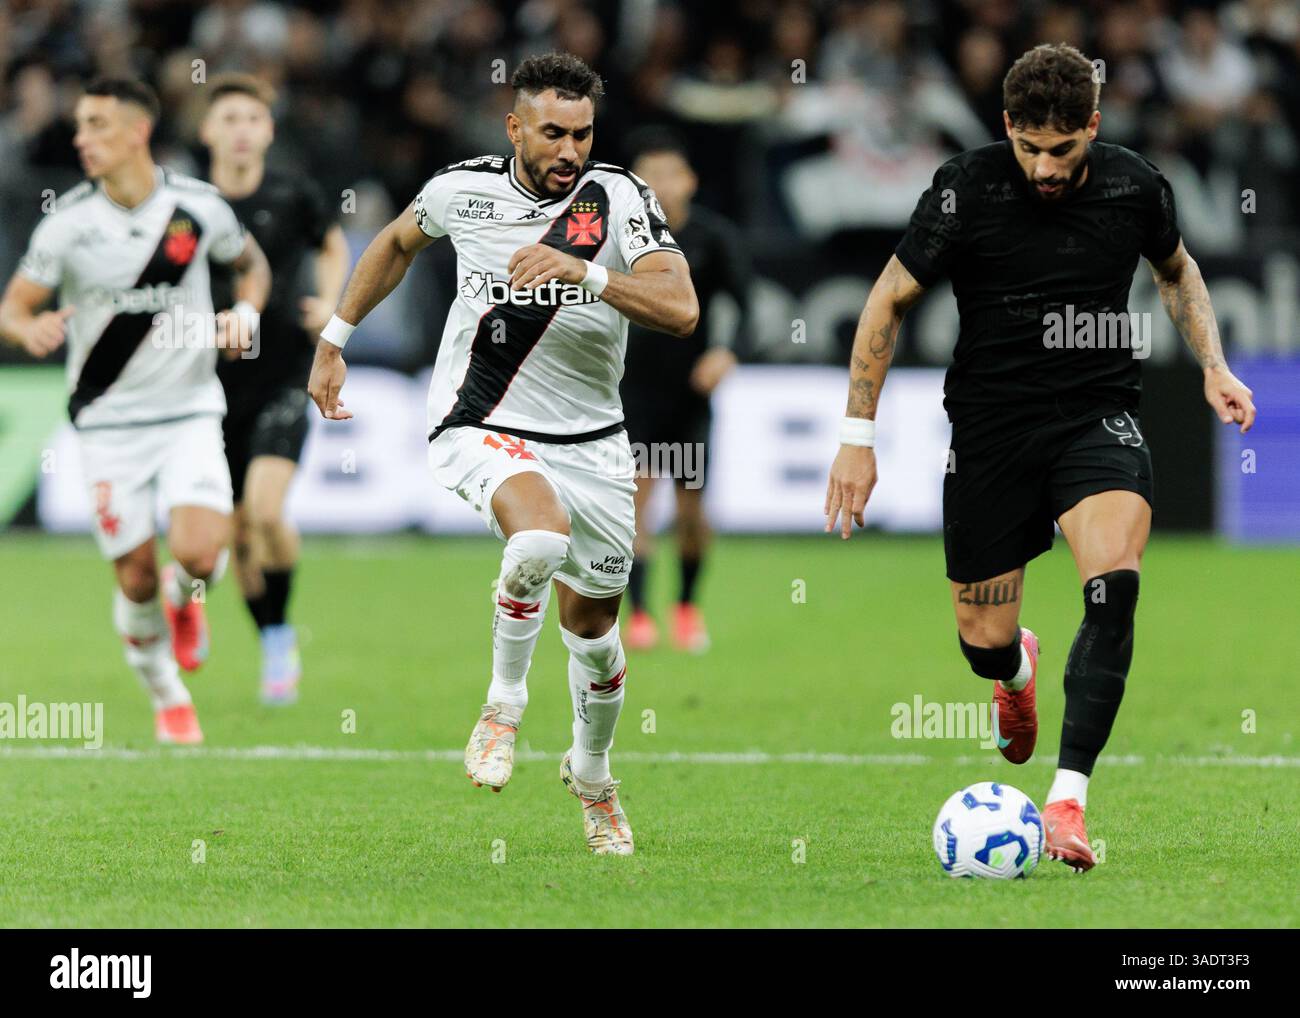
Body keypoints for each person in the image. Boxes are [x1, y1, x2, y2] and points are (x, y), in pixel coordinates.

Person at [823, 44, 1255, 871]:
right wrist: (856, 438)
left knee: (1114, 582)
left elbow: (1178, 271)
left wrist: (1213, 362)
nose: (1046, 167)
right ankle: (1013, 670)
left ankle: (1068, 800)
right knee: (981, 635)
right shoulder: (966, 187)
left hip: (1097, 415)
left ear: (1092, 126)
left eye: (1063, 149)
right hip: (990, 427)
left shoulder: (1135, 184)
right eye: (1030, 148)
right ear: (1007, 129)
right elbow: (890, 295)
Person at [305, 53, 698, 855]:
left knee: (594, 633)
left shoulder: (620, 198)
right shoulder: (462, 189)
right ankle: (502, 706)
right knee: (538, 539)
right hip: (479, 420)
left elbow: (680, 308)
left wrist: (585, 272)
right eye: (552, 132)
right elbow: (391, 242)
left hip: (593, 442)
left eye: (582, 134)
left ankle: (592, 776)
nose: (569, 150)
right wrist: (334, 338)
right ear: (515, 127)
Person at [0, 77, 270, 742]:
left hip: (188, 412)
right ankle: (166, 693)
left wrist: (244, 313)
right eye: (80, 125)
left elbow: (252, 267)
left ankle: (189, 601)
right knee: (137, 575)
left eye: (95, 125)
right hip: (107, 423)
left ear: (136, 132)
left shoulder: (197, 208)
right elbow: (15, 306)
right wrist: (25, 330)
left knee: (202, 556)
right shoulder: (67, 224)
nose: (80, 138)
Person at [201, 73, 349, 705]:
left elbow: (333, 242)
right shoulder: (189, 204)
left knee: (265, 513)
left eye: (251, 119)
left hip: (286, 372)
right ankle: (270, 640)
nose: (240, 129)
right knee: (235, 536)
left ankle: (283, 635)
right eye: (228, 117)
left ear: (267, 131)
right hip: (207, 385)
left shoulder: (294, 192)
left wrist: (330, 305)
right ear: (208, 130)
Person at [618, 127, 751, 654]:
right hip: (632, 393)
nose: (660, 185)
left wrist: (725, 351)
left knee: (692, 513)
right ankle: (642, 615)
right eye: (648, 175)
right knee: (635, 505)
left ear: (690, 181)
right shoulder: (618, 237)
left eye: (670, 173)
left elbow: (741, 303)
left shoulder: (713, 239)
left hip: (690, 397)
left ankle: (688, 605)